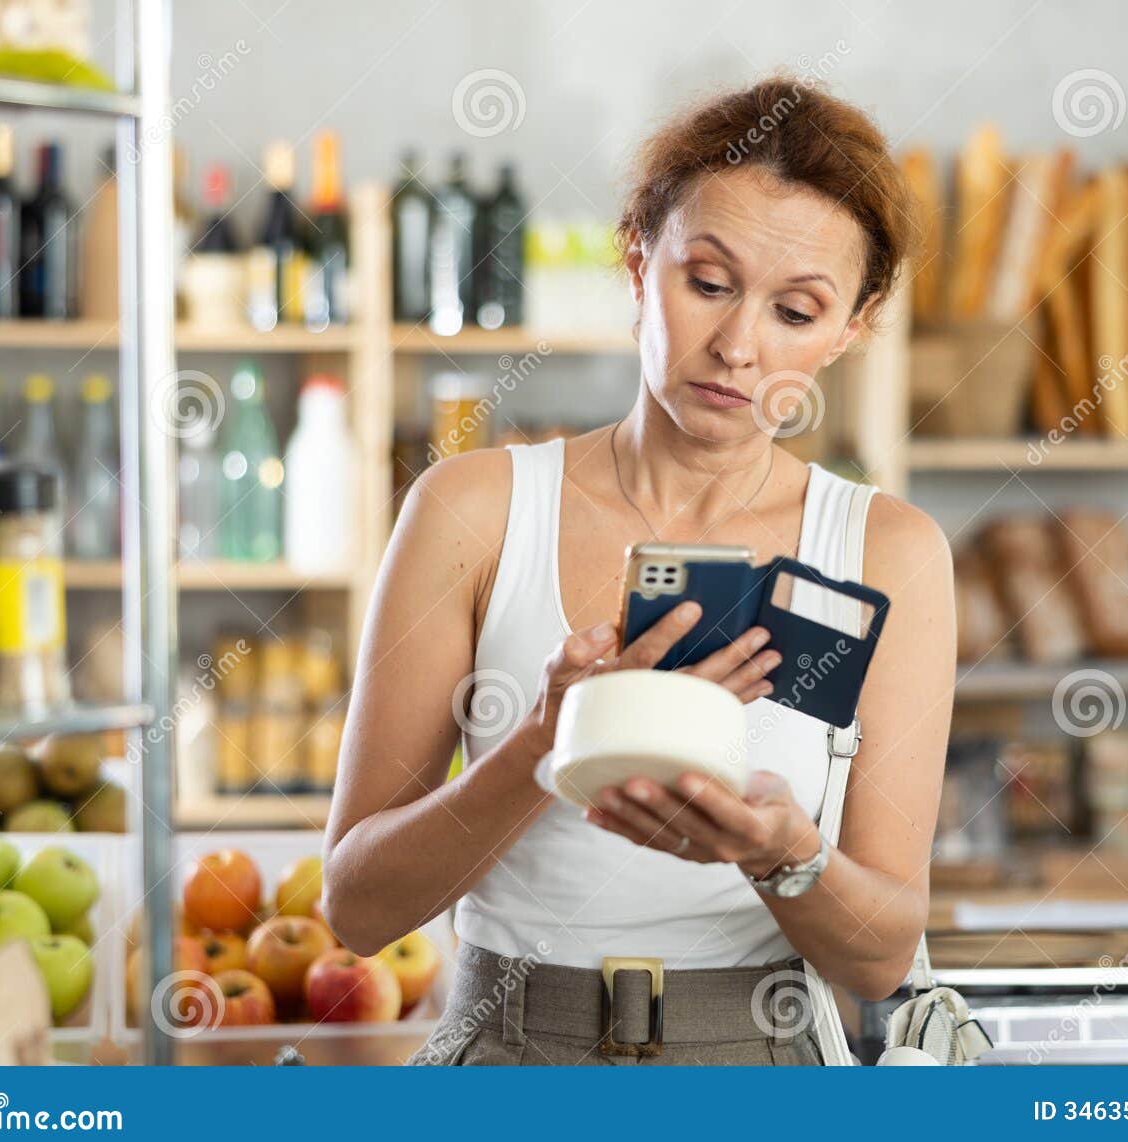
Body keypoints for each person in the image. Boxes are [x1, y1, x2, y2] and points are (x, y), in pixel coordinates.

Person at [322, 75, 953, 1065]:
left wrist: (781, 854)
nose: (739, 346)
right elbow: (356, 907)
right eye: (706, 284)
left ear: (854, 325)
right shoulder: (473, 509)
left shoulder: (890, 553)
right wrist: (546, 739)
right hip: (507, 1058)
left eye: (796, 310)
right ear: (635, 263)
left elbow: (879, 960)